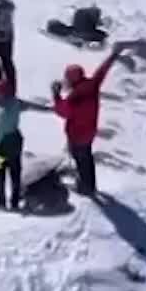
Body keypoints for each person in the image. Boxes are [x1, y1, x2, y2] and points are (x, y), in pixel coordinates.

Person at [52, 44, 125, 198]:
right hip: (90, 132)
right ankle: (90, 184)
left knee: (80, 160)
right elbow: (102, 72)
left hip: (77, 136)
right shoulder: (92, 85)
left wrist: (56, 95)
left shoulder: (75, 97)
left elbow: (62, 111)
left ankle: (85, 186)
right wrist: (113, 56)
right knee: (87, 158)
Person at [0, 79, 24, 212]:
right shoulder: (15, 103)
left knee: (0, 173)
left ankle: (1, 200)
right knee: (15, 172)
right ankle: (15, 200)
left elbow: (0, 132)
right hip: (16, 140)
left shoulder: (1, 112)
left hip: (2, 145)